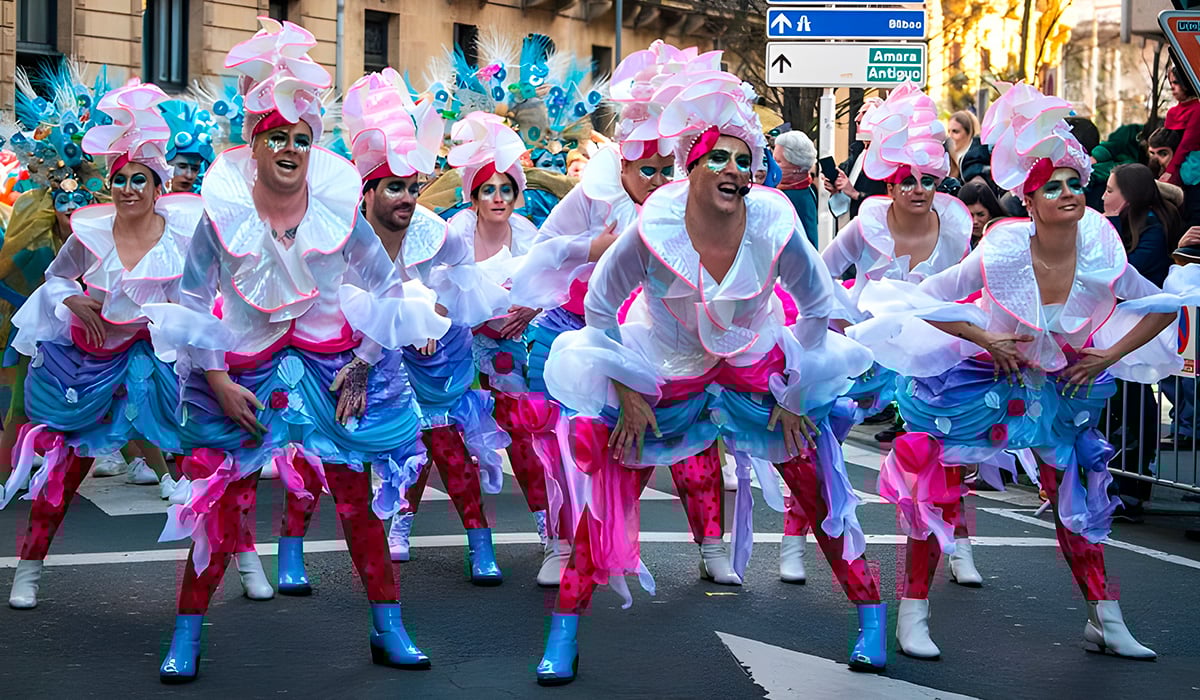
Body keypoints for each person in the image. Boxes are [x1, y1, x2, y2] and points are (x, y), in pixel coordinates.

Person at [535, 64, 882, 686]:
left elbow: (820, 304)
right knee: (606, 502)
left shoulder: (775, 223)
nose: (731, 168)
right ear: (690, 167)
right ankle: (564, 631)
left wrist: (798, 391)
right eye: (715, 157)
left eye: (743, 160)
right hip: (664, 374)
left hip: (755, 370)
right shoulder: (653, 227)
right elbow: (596, 308)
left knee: (819, 490)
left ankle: (872, 617)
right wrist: (625, 387)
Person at [146, 19, 447, 683]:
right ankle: (188, 635)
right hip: (245, 374)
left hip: (331, 368)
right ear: (253, 145)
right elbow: (193, 306)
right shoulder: (218, 215)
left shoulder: (340, 210)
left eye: (301, 138)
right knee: (218, 504)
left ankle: (388, 627)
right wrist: (219, 380)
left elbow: (389, 285)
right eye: (276, 137)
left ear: (313, 145)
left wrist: (365, 364)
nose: (289, 148)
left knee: (357, 504)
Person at [850, 82, 1177, 662]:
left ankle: (1105, 619)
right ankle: (913, 614)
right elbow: (925, 298)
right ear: (1028, 202)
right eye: (1052, 186)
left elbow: (1159, 306)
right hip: (974, 386)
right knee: (932, 495)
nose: (1069, 193)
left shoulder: (1102, 245)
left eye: (1076, 182)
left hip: (1057, 390)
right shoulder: (998, 252)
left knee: (1077, 498)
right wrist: (985, 337)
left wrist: (1105, 355)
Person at [511, 40, 720, 588]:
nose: (655, 180)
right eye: (645, 170)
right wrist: (591, 249)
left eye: (663, 169)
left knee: (692, 433)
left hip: (658, 336)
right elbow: (546, 249)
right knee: (568, 441)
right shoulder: (591, 196)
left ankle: (712, 542)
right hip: (580, 332)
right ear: (623, 163)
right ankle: (564, 544)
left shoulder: (683, 206)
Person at [1, 80, 207, 609]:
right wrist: (72, 301)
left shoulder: (181, 238)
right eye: (119, 178)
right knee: (67, 467)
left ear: (159, 187)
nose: (128, 188)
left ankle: (243, 555)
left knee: (203, 466)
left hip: (158, 361)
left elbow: (203, 296)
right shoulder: (88, 234)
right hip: (93, 364)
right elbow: (56, 278)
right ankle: (29, 567)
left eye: (140, 179)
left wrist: (177, 328)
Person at [335, 68, 512, 579]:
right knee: (339, 454)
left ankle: (481, 546)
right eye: (394, 187)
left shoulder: (433, 231)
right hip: (372, 354)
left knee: (448, 453)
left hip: (436, 357)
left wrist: (434, 316)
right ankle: (297, 552)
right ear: (367, 192)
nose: (408, 198)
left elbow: (463, 272)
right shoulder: (344, 239)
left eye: (413, 187)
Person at [811, 83, 978, 587]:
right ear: (890, 181)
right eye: (907, 178)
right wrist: (840, 320)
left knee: (947, 449)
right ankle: (800, 537)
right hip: (869, 354)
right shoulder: (865, 226)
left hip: (933, 355)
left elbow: (968, 287)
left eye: (929, 178)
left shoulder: (954, 228)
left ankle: (959, 544)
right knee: (824, 436)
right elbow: (818, 275)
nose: (918, 188)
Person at [0, 62, 110, 488]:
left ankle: (157, 473)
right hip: (47, 323)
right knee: (25, 399)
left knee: (118, 394)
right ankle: (13, 473)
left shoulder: (103, 231)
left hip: (98, 328)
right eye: (64, 209)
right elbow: (21, 277)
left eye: (80, 208)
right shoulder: (34, 235)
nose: (72, 218)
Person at [825, 97, 887, 219]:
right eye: (858, 114)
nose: (857, 119)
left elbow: (888, 199)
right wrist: (836, 189)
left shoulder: (887, 159)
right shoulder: (857, 152)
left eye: (865, 114)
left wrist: (855, 194)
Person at [773, 130, 819, 248]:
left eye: (778, 161)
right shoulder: (801, 189)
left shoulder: (796, 196)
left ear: (796, 166)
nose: (772, 166)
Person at [957, 179, 1004, 246]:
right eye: (970, 215)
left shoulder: (1004, 237)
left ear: (991, 213)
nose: (975, 221)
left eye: (981, 215)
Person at [945, 110, 980, 181]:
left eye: (955, 131)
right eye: (949, 131)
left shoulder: (977, 163)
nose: (950, 136)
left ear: (969, 134)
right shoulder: (944, 158)